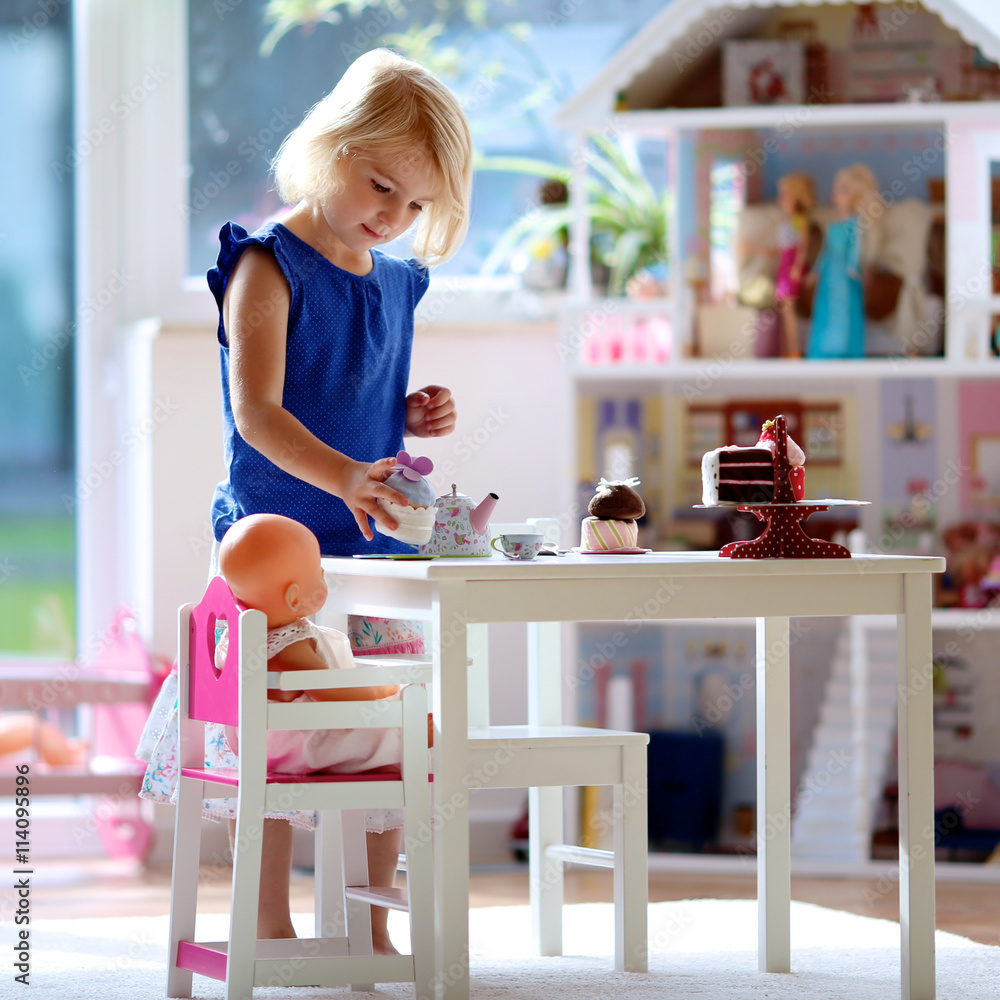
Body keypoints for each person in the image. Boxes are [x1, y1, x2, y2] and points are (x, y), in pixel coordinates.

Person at [137, 48, 473, 950]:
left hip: (374, 555)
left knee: (396, 723)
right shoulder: (268, 263)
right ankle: (269, 919)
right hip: (277, 553)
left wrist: (408, 414)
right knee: (274, 742)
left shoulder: (396, 283)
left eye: (416, 206)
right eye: (380, 187)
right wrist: (346, 477)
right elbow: (258, 412)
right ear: (333, 147)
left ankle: (374, 928)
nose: (393, 217)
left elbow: (354, 397)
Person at [807, 163, 881, 359]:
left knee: (845, 310)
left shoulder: (855, 223)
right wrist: (815, 271)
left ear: (856, 196)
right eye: (837, 190)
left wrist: (853, 266)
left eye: (844, 191)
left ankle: (845, 350)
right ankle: (824, 350)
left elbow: (856, 247)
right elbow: (825, 251)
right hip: (830, 274)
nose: (837, 195)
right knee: (826, 309)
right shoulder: (832, 225)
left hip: (846, 274)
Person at [773, 172, 815, 358]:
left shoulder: (800, 220)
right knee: (783, 310)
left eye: (785, 195)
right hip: (783, 266)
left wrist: (798, 267)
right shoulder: (785, 221)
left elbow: (803, 246)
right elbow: (779, 249)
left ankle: (794, 350)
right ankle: (787, 348)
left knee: (789, 310)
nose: (781, 199)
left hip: (792, 267)